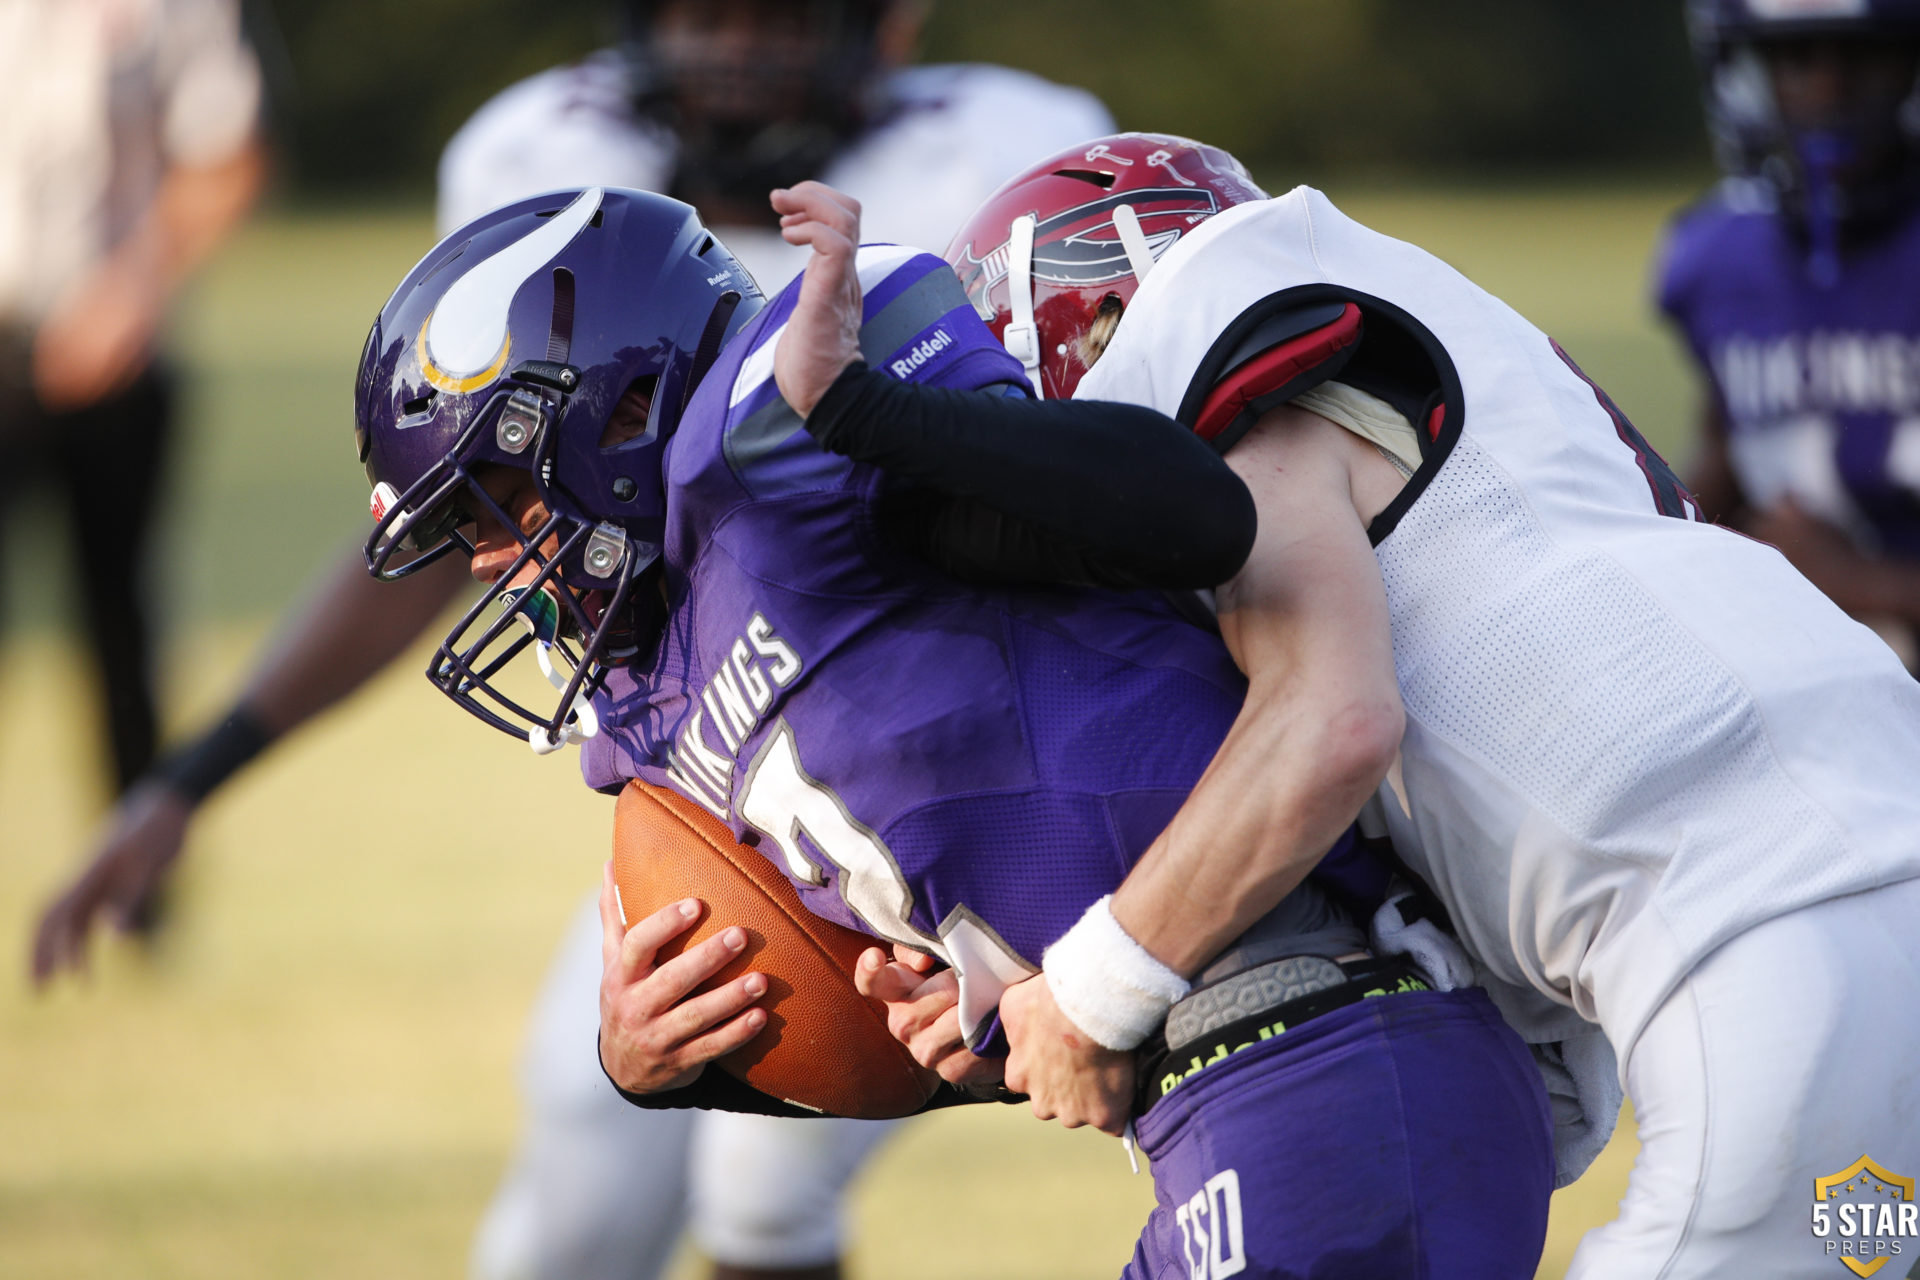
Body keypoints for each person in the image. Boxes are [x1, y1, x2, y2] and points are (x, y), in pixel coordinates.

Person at [32, 4, 1112, 1278]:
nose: (733, 45)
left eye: (769, 13)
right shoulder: (541, 163)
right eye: (696, 12)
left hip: (967, 760)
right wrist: (189, 777)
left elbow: (1097, 488)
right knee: (576, 1167)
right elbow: (472, 522)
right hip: (726, 769)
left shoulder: (1009, 151)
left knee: (768, 1168)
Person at [358, 180, 1556, 1277]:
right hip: (1215, 1091)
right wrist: (652, 1059)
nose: (494, 563)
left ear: (620, 407)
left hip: (1329, 1033)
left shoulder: (774, 437)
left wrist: (863, 411)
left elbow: (1196, 515)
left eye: (497, 502)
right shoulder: (647, 703)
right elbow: (874, 1027)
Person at [831, 131, 1920, 1278]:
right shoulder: (1431, 369)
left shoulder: (1223, 349)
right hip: (1842, 891)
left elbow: (1328, 724)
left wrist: (1095, 994)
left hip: (1787, 931)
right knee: (1867, 1246)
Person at [0, 0, 266, 798]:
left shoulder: (180, 11)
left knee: (121, 628)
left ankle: (132, 875)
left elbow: (227, 155)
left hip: (114, 348)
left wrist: (130, 294)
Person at [1660, 0, 1920, 672]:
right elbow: (1728, 452)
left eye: (1862, 58)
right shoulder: (1719, 256)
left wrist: (1862, 581)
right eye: (1796, 58)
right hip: (1811, 652)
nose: (1829, 91)